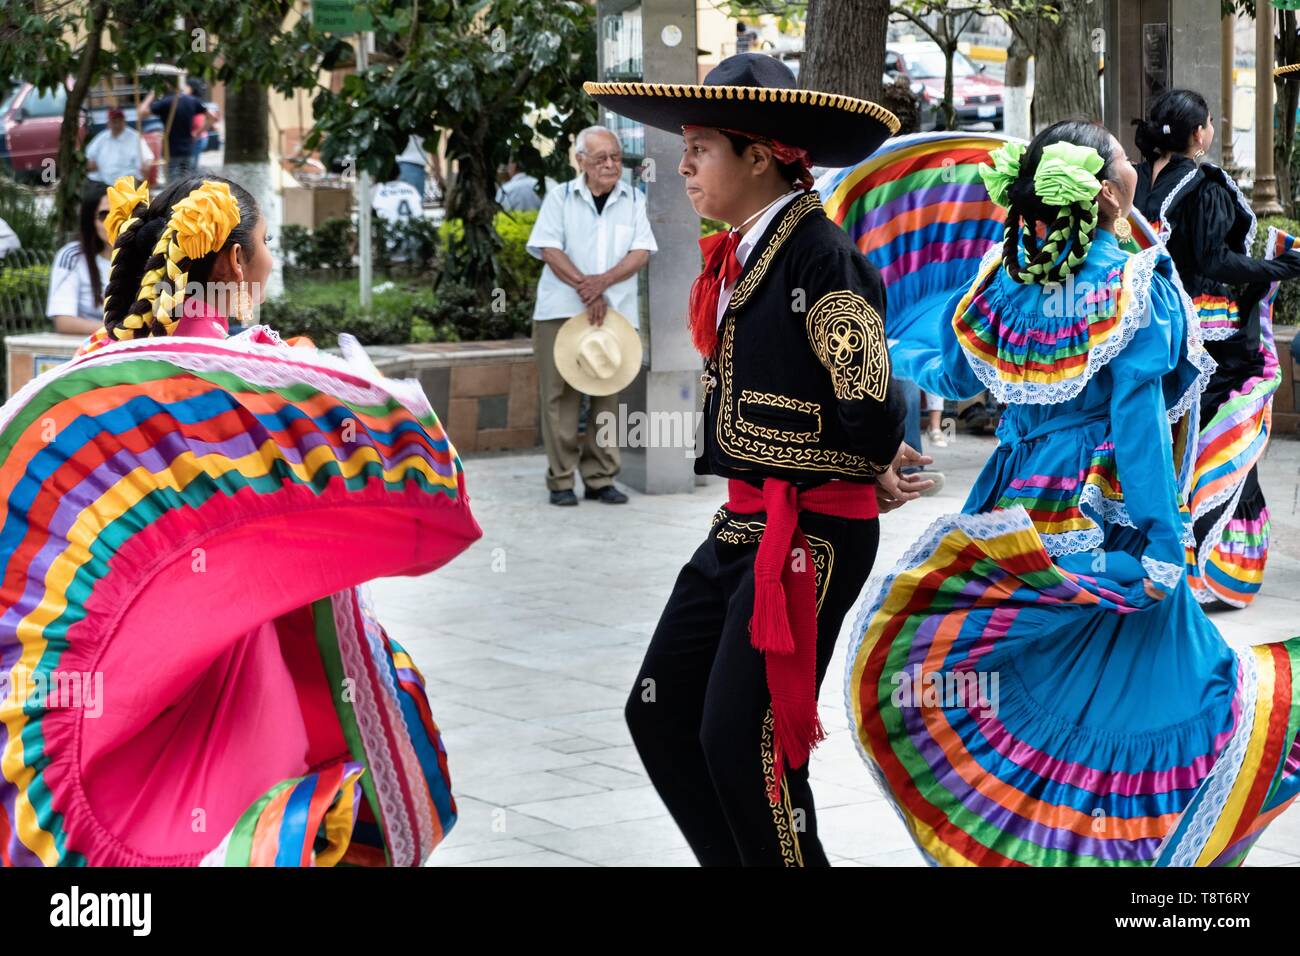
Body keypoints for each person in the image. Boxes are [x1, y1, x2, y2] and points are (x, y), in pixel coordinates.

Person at [846, 122, 1300, 866]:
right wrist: (1160, 538)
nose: (1135, 172)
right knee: (1168, 681)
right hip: (1103, 509)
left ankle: (1034, 839)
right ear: (1105, 190)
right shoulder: (1130, 281)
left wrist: (893, 339)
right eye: (1124, 163)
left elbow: (959, 379)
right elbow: (1138, 420)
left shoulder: (1000, 278)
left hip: (1011, 502)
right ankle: (1138, 845)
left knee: (1012, 675)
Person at [0, 173, 480, 866]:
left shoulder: (106, 368)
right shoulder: (240, 372)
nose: (271, 260)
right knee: (259, 785)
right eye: (266, 243)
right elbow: (381, 430)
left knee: (170, 793)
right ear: (231, 261)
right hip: (240, 648)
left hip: (152, 654)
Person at [587, 53, 930, 866]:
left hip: (810, 534)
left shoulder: (822, 256)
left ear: (761, 153)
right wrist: (860, 450)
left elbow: (870, 404)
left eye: (701, 147)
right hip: (747, 521)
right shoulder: (749, 250)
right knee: (659, 712)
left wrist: (865, 457)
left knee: (748, 742)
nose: (683, 165)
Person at [1132, 89, 1300, 608]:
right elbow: (1213, 262)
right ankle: (1217, 570)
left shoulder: (1137, 183)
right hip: (1214, 342)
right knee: (1225, 443)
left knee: (1174, 446)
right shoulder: (1203, 185)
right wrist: (1281, 269)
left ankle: (1171, 564)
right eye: (1208, 123)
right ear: (1199, 132)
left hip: (1153, 335)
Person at [525, 125, 657, 506]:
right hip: (561, 311)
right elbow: (548, 248)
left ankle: (601, 478)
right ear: (580, 161)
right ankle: (561, 480)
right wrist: (587, 287)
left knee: (606, 396)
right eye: (601, 158)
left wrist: (602, 284)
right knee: (560, 397)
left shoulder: (632, 198)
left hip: (613, 314)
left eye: (616, 157)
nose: (611, 164)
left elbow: (641, 252)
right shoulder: (560, 197)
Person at [46, 181, 112, 336]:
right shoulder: (72, 256)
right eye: (104, 215)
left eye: (120, 213)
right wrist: (119, 331)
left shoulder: (150, 255)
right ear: (90, 221)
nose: (113, 221)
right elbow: (64, 321)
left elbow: (169, 315)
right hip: (89, 349)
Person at [141, 81, 209, 180]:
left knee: (173, 187)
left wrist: (151, 95)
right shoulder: (191, 100)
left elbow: (142, 112)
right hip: (188, 149)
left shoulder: (165, 102)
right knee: (188, 183)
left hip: (171, 150)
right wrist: (197, 133)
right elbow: (213, 116)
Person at [85, 108, 154, 185]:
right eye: (114, 122)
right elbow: (89, 156)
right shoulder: (101, 137)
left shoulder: (135, 137)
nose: (117, 125)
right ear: (108, 123)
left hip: (127, 181)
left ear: (124, 122)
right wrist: (90, 163)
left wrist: (146, 166)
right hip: (102, 181)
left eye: (119, 121)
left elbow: (148, 157)